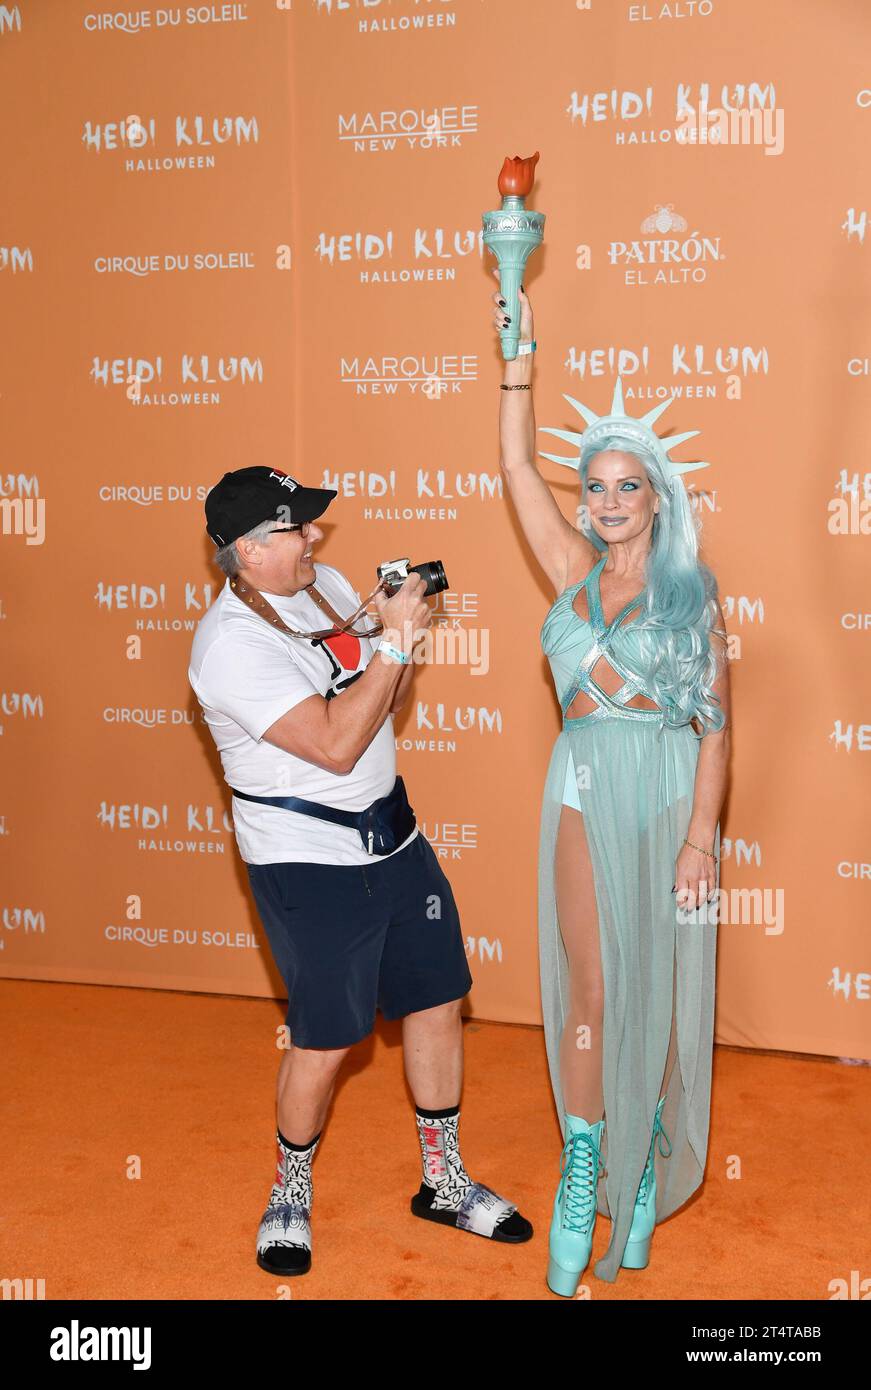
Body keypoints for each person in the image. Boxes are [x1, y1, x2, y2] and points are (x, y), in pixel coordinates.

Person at [188, 465, 532, 1277]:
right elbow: (337, 744)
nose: (314, 539)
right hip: (309, 864)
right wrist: (396, 639)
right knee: (326, 1039)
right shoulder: (227, 648)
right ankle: (290, 1192)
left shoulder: (326, 585)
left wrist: (385, 640)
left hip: (396, 838)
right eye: (295, 529)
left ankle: (442, 1183)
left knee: (438, 1000)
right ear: (248, 548)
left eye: (310, 524)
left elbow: (384, 702)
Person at [489, 271, 731, 1292]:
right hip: (583, 782)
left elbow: (717, 723)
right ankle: (585, 1161)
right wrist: (518, 362)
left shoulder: (690, 593)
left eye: (629, 485)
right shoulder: (566, 572)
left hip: (670, 788)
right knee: (590, 984)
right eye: (596, 484)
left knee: (662, 993)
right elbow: (512, 465)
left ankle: (643, 1171)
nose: (608, 501)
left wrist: (700, 838)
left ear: (656, 497)